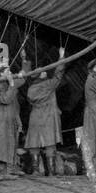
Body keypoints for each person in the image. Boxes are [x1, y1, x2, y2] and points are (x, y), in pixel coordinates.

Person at [25, 47, 66, 175]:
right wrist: (61, 57)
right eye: (43, 72)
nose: (45, 72)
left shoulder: (31, 89)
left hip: (35, 118)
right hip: (48, 118)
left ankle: (36, 170)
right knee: (50, 144)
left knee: (34, 144)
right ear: (40, 75)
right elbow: (58, 74)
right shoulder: (49, 84)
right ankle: (51, 172)